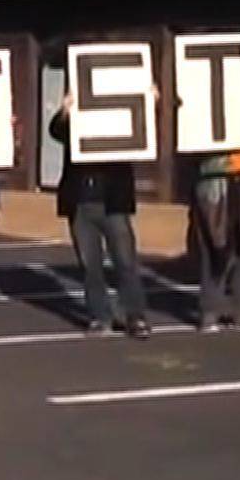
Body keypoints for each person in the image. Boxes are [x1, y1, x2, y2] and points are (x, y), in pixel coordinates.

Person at [50, 97, 149, 340]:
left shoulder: (118, 118)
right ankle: (99, 316)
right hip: (80, 199)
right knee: (90, 265)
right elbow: (56, 130)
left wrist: (148, 100)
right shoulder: (75, 119)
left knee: (125, 261)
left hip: (113, 200)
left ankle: (134, 315)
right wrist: (66, 110)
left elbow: (144, 128)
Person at [189, 145, 240, 333]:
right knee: (225, 250)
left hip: (230, 186)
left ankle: (220, 312)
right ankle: (231, 312)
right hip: (221, 187)